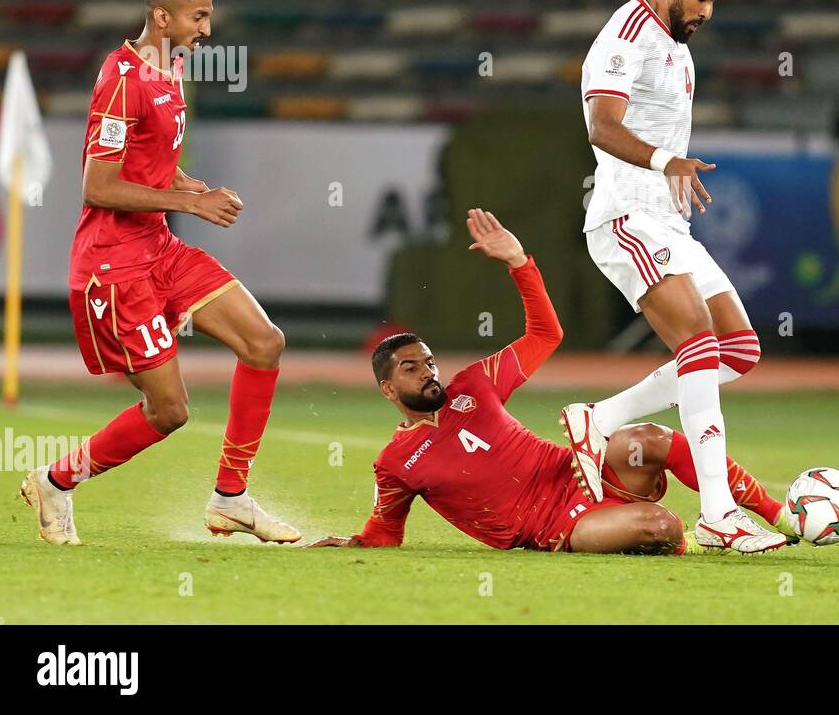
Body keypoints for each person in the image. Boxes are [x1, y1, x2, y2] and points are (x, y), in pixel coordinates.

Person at [308, 209, 796, 554]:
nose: (427, 371)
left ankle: (773, 513)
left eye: (428, 361)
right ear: (388, 390)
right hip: (557, 524)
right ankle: (690, 536)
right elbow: (384, 532)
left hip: (579, 470)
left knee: (652, 438)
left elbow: (546, 334)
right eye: (410, 368)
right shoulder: (394, 464)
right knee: (660, 524)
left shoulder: (474, 385)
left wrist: (521, 263)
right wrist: (345, 546)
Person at [20, 0, 296, 545]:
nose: (207, 31)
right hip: (114, 266)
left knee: (264, 342)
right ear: (161, 15)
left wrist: (187, 185)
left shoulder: (170, 69)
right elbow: (98, 185)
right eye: (198, 18)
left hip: (159, 247)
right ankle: (55, 480)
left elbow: (152, 162)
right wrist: (189, 204)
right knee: (170, 411)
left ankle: (231, 498)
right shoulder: (122, 79)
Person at [561, 0, 788, 554]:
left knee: (738, 348)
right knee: (697, 340)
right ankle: (719, 513)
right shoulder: (626, 35)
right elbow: (601, 125)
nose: (709, 11)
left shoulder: (677, 46)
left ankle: (599, 419)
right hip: (625, 218)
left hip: (666, 221)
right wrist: (669, 161)